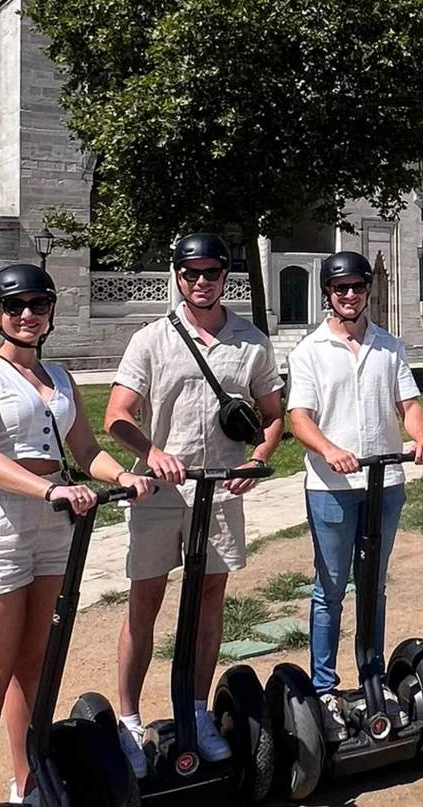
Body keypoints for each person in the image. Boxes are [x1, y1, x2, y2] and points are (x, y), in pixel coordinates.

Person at [0, 264, 156, 807]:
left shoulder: (59, 377)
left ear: (49, 312)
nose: (26, 316)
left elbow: (85, 453)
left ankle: (29, 786)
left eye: (37, 305)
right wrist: (49, 491)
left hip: (53, 527)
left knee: (35, 667)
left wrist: (125, 475)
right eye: (14, 307)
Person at [105, 233, 285, 777]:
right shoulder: (152, 339)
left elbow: (272, 413)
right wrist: (152, 453)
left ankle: (199, 711)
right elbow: (117, 414)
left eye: (211, 272)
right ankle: (131, 718)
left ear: (225, 276)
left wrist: (257, 458)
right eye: (191, 272)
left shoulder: (250, 341)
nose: (201, 281)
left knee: (209, 601)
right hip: (160, 493)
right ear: (177, 275)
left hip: (220, 489)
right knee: (146, 602)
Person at [286, 251, 423, 738]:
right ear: (327, 294)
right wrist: (329, 449)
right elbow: (299, 417)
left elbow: (408, 403)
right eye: (340, 288)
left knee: (373, 584)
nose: (349, 295)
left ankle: (372, 676)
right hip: (332, 488)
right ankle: (326, 688)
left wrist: (420, 435)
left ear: (368, 289)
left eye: (357, 286)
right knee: (330, 589)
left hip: (384, 484)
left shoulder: (389, 346)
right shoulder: (308, 350)